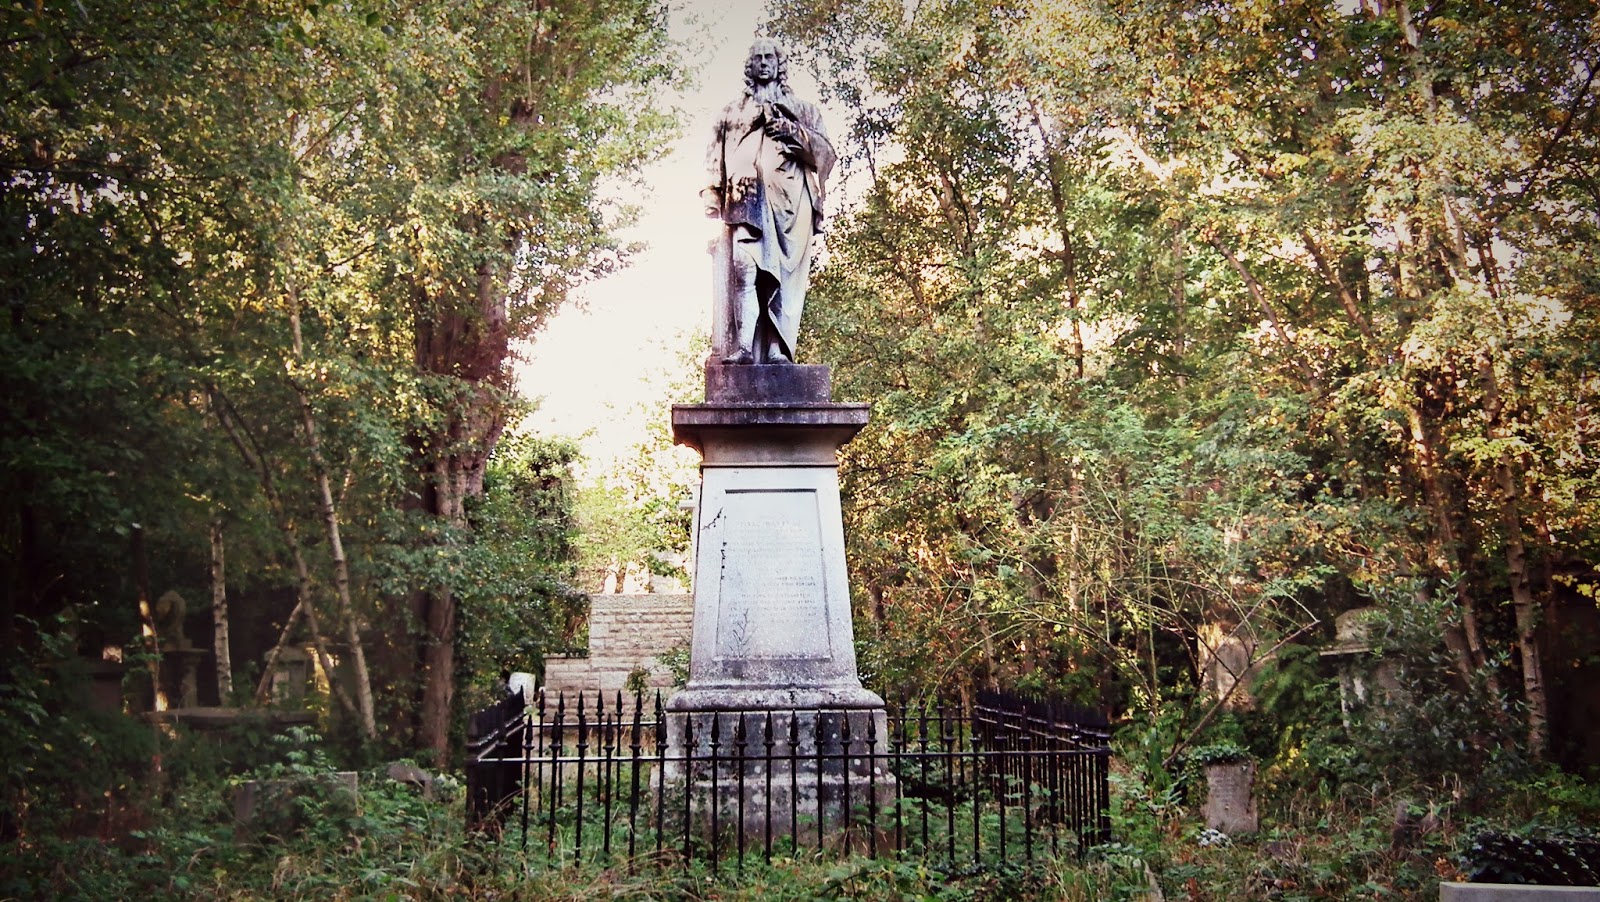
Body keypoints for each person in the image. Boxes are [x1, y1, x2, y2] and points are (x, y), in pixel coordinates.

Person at [703, 38, 835, 365]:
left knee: (782, 276)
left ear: (779, 64)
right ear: (750, 65)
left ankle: (777, 349)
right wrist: (710, 190)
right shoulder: (731, 113)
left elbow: (825, 154)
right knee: (743, 267)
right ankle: (743, 348)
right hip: (745, 196)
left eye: (770, 57)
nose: (764, 63)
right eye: (758, 57)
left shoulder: (804, 111)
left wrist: (788, 130)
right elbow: (714, 153)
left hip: (791, 204)